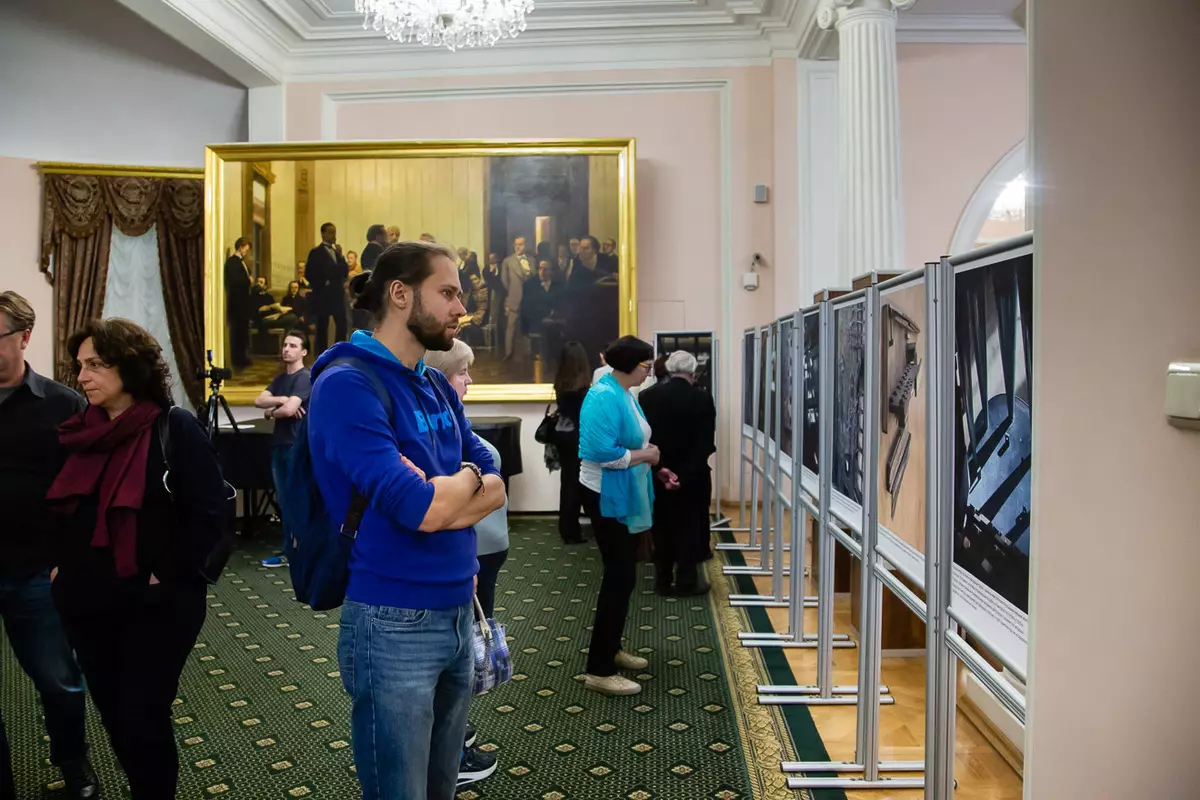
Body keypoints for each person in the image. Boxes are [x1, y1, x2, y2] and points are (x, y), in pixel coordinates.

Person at [311, 241, 506, 800]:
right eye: (447, 293)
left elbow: (495, 474)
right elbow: (419, 508)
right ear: (399, 294)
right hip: (391, 622)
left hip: (456, 610)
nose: (459, 309)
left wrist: (456, 486)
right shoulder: (348, 383)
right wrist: (462, 489)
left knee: (442, 784)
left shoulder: (434, 384)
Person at [47, 318, 226, 799]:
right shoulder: (79, 432)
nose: (82, 377)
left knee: (143, 714)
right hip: (88, 600)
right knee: (112, 712)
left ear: (130, 366)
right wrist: (60, 565)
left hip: (158, 604)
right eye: (80, 366)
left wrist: (165, 573)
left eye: (96, 365)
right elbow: (63, 509)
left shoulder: (175, 427)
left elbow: (211, 513)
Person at [0, 291, 98, 800]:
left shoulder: (64, 405)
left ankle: (75, 768)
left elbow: (86, 492)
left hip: (37, 570)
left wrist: (68, 560)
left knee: (58, 679)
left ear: (24, 338)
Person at [422, 338, 507, 786]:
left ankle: (453, 735)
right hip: (466, 561)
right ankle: (449, 751)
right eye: (462, 372)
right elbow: (441, 510)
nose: (469, 380)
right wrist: (481, 483)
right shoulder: (438, 434)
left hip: (479, 557)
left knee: (464, 654)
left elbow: (494, 492)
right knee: (455, 657)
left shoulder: (454, 424)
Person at [578, 336, 659, 696]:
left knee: (624, 577)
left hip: (621, 490)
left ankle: (610, 649)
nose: (649, 371)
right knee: (618, 576)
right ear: (628, 364)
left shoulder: (623, 392)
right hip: (603, 494)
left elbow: (633, 441)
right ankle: (598, 669)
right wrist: (647, 457)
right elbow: (601, 453)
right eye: (646, 366)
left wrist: (648, 455)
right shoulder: (603, 395)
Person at [638, 351, 716, 595]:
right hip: (693, 476)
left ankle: (662, 580)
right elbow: (705, 443)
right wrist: (684, 475)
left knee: (661, 524)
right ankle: (687, 580)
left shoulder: (647, 397)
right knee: (691, 525)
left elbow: (645, 440)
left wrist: (662, 469)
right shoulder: (703, 399)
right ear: (692, 372)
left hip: (658, 472)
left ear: (669, 370)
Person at [255, 330, 312, 569]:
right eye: (285, 345)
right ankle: (291, 550)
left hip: (295, 446)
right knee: (285, 501)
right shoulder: (280, 380)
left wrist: (272, 411)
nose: (286, 349)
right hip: (279, 445)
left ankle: (302, 550)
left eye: (293, 345)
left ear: (303, 351)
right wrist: (280, 402)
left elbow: (291, 411)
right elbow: (259, 401)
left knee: (297, 500)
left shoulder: (305, 377)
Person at [552, 342, 591, 545]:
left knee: (567, 483)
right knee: (580, 483)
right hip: (579, 437)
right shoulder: (583, 387)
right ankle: (573, 532)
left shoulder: (561, 383)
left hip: (563, 436)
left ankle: (567, 528)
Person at [304, 222, 351, 354]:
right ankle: (321, 354)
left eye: (334, 232)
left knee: (342, 323)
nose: (333, 235)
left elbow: (345, 271)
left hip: (337, 294)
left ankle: (339, 352)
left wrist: (341, 255)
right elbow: (309, 273)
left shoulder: (337, 253)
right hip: (323, 295)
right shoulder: (316, 252)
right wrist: (322, 282)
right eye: (330, 232)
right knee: (322, 326)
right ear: (323, 234)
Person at [500, 237, 534, 361]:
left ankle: (529, 352)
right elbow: (504, 281)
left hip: (529, 299)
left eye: (521, 244)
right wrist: (510, 296)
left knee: (528, 326)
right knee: (511, 327)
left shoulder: (532, 260)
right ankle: (509, 352)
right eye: (516, 245)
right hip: (514, 297)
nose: (518, 247)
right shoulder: (507, 261)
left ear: (525, 245)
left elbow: (534, 279)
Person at [224, 237, 253, 369]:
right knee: (237, 332)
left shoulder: (241, 262)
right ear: (240, 247)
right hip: (237, 304)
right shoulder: (232, 263)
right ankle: (238, 360)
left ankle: (243, 358)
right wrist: (249, 281)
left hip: (243, 303)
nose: (247, 251)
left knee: (242, 331)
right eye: (246, 248)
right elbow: (236, 282)